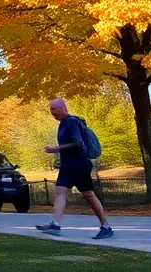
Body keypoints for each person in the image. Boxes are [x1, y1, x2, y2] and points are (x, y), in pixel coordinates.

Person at [36, 98, 113, 239]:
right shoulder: (63, 124)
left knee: (88, 195)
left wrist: (57, 148)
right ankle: (56, 224)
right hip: (67, 166)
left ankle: (106, 226)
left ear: (63, 108)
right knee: (60, 192)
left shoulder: (71, 122)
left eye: (54, 109)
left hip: (79, 164)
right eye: (51, 109)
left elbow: (78, 144)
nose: (52, 112)